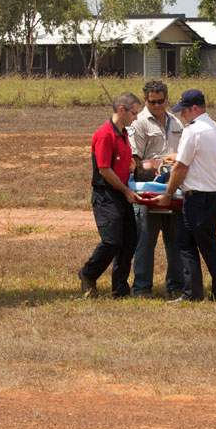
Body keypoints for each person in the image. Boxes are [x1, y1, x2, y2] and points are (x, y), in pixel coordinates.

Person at [154, 89, 216, 301]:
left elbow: (181, 168)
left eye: (184, 111)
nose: (181, 115)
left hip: (199, 196)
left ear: (194, 108)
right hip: (212, 193)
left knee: (204, 245)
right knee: (188, 242)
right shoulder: (213, 127)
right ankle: (194, 292)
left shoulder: (193, 131)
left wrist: (168, 193)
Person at [78, 93, 142, 298]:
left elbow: (120, 163)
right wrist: (126, 191)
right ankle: (88, 274)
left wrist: (131, 166)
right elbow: (104, 169)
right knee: (112, 241)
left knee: (130, 239)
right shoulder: (105, 134)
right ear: (121, 110)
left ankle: (120, 287)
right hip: (107, 195)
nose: (136, 118)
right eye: (134, 113)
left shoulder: (123, 133)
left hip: (121, 192)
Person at [127, 80, 183, 298]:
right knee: (145, 241)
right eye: (153, 102)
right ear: (146, 100)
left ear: (167, 99)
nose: (158, 106)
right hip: (149, 192)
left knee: (176, 241)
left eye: (161, 101)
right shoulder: (139, 124)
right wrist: (156, 166)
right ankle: (142, 287)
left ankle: (176, 286)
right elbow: (134, 163)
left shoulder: (176, 122)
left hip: (174, 190)